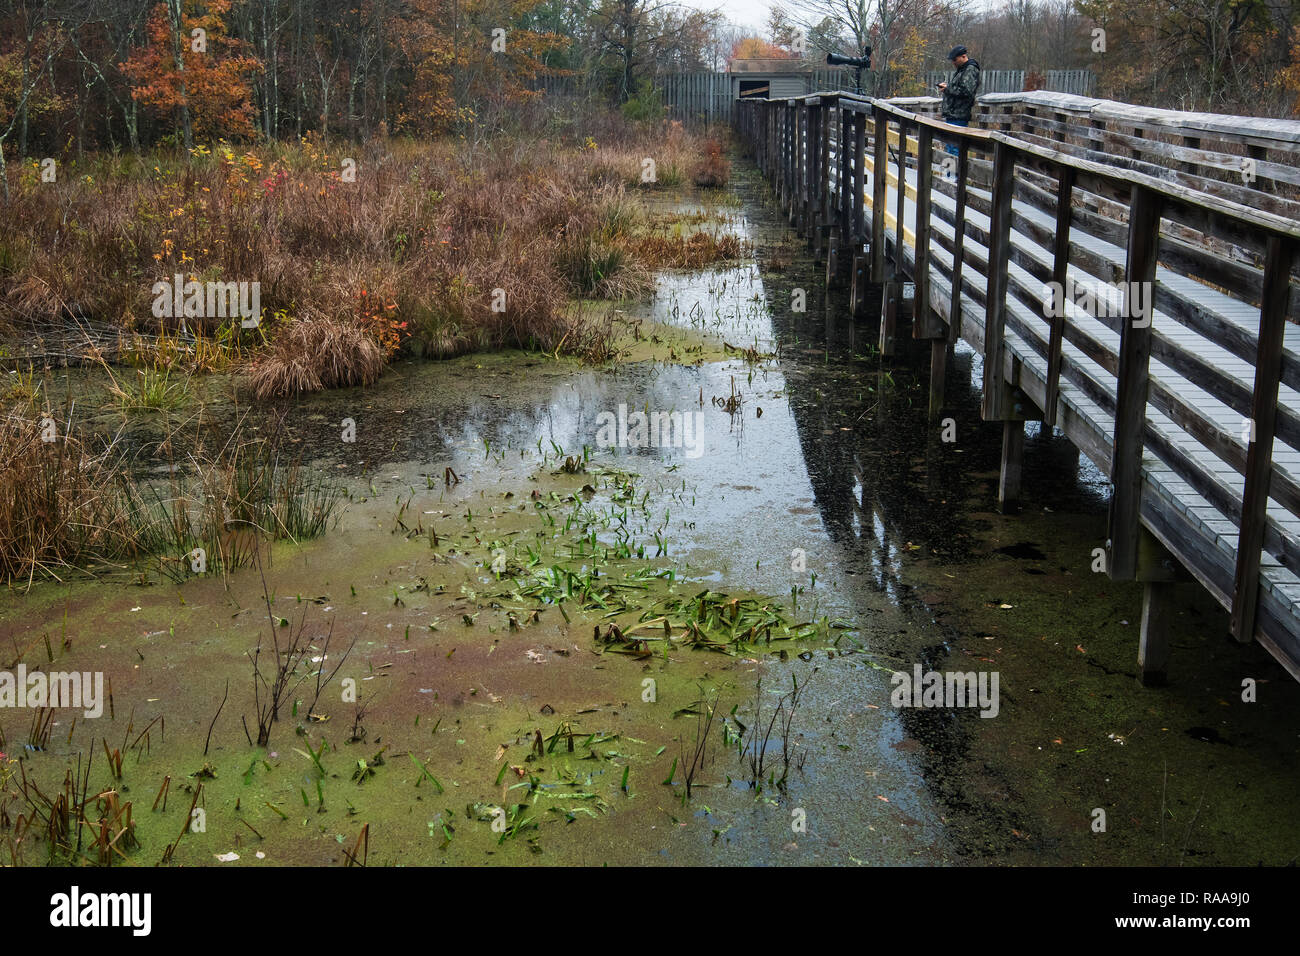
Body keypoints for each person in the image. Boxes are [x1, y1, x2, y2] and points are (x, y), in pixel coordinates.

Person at [937, 45, 980, 155]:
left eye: (955, 59)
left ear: (963, 56)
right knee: (950, 148)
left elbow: (967, 91)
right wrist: (948, 88)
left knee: (955, 149)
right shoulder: (962, 70)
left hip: (959, 116)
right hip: (953, 115)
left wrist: (947, 89)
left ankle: (955, 172)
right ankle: (950, 172)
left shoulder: (970, 69)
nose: (953, 62)